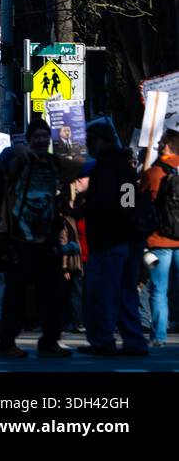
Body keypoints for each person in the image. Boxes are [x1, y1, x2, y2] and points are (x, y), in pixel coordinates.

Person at [0, 117, 82, 358]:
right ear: (29, 139)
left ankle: (50, 340)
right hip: (19, 238)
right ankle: (7, 342)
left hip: (47, 238)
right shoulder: (17, 161)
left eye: (45, 136)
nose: (41, 140)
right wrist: (20, 150)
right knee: (16, 294)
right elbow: (5, 158)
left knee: (53, 292)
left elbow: (84, 166)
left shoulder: (54, 162)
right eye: (37, 136)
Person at [78, 123, 148, 356]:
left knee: (104, 292)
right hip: (126, 238)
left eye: (90, 138)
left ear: (100, 140)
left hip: (110, 238)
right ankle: (133, 340)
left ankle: (104, 339)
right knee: (125, 291)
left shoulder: (108, 166)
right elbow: (128, 199)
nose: (87, 143)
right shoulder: (121, 166)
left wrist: (87, 209)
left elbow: (114, 201)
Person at [143, 129, 179, 346]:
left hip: (159, 241)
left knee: (159, 290)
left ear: (166, 146)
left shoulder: (152, 173)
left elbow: (130, 200)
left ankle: (159, 336)